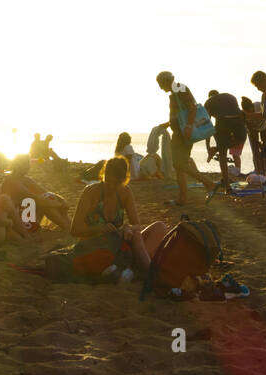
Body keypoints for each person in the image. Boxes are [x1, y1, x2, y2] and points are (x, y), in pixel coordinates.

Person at [69, 157, 170, 275]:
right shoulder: (91, 192)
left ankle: (137, 268)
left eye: (116, 183)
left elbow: (137, 225)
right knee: (138, 240)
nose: (111, 186)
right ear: (103, 175)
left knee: (160, 227)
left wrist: (128, 228)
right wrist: (99, 229)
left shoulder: (125, 192)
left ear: (123, 180)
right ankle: (147, 272)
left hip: (117, 246)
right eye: (108, 181)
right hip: (96, 247)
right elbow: (74, 230)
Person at [155, 71, 217, 205]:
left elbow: (192, 107)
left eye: (160, 84)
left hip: (183, 133)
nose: (160, 87)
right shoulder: (174, 93)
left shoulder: (180, 88)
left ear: (166, 81)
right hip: (179, 131)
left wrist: (189, 126)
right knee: (179, 166)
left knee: (179, 164)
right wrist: (168, 124)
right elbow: (180, 113)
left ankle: (208, 182)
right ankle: (182, 198)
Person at [4, 155, 72, 232]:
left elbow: (45, 192)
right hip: (15, 219)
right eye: (26, 164)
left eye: (28, 164)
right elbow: (34, 197)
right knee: (44, 203)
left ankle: (67, 225)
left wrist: (62, 200)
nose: (28, 167)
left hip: (26, 214)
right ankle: (66, 226)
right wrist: (60, 204)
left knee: (48, 197)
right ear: (17, 165)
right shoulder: (11, 180)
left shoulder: (26, 179)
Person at [204, 89, 247, 189]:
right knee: (241, 139)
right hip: (237, 120)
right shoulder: (229, 96)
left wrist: (208, 148)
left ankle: (227, 186)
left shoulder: (208, 102)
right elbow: (240, 114)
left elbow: (207, 126)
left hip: (222, 122)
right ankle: (218, 148)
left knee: (223, 154)